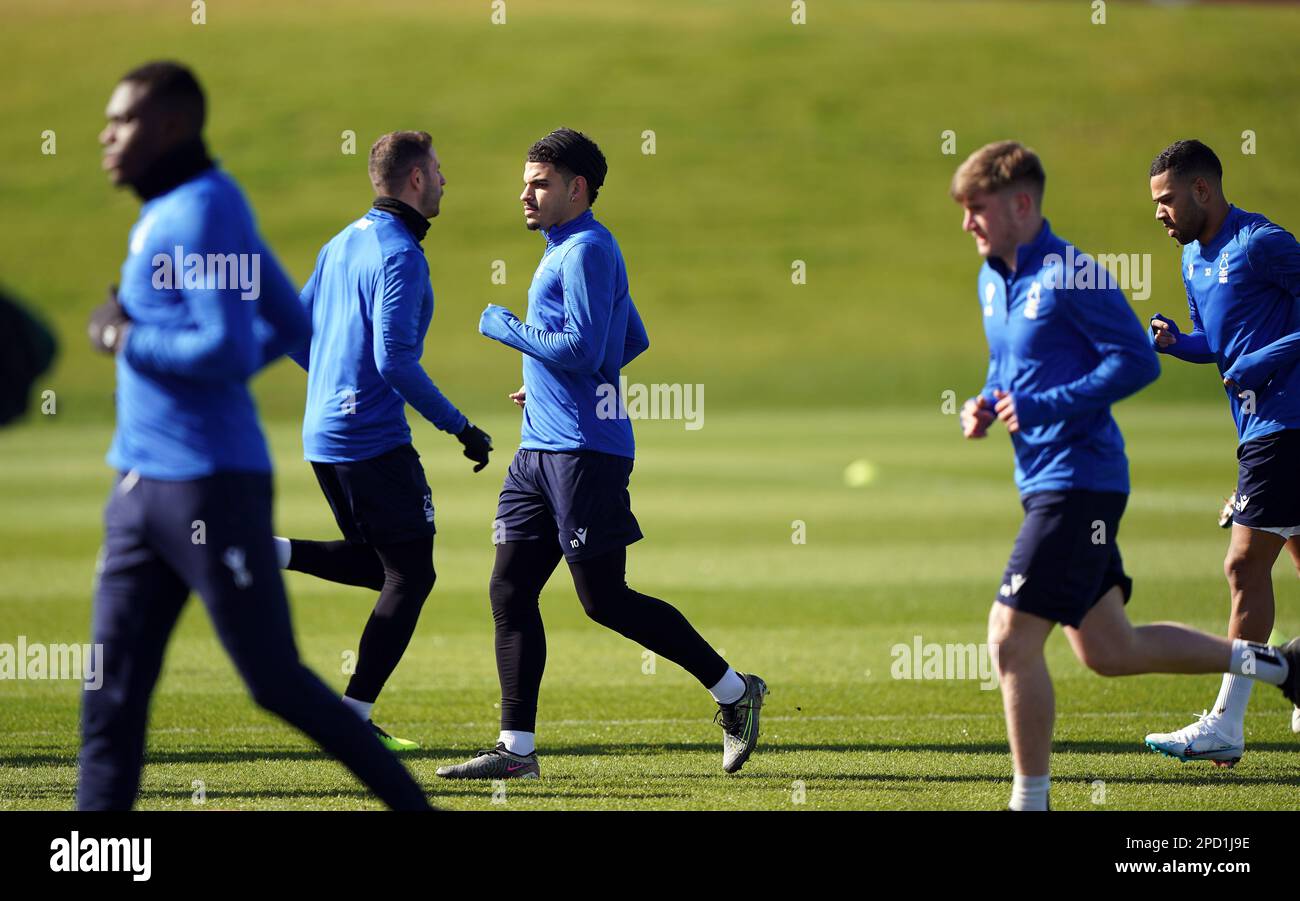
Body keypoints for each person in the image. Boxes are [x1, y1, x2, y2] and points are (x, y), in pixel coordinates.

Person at [78, 61, 431, 810]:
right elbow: (295, 325)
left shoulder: (200, 211)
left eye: (122, 121)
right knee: (109, 699)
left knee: (274, 681)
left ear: (170, 126)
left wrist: (123, 339)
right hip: (136, 486)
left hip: (206, 484)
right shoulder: (176, 206)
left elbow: (231, 347)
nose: (105, 136)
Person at [952, 139, 1299, 809]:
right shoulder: (992, 279)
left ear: (1022, 203)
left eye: (978, 209)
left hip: (1082, 481)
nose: (968, 224)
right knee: (1109, 648)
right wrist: (987, 401)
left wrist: (1042, 405)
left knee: (1010, 637)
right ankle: (1281, 665)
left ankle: (1031, 800)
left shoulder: (1072, 274)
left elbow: (1133, 363)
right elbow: (1009, 369)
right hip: (1045, 481)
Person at [435, 128, 766, 780]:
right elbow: (628, 338)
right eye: (526, 180)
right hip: (539, 451)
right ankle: (517, 750)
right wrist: (545, 384)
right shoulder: (570, 247)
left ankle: (735, 692)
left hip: (586, 452)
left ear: (575, 188)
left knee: (603, 598)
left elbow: (587, 351)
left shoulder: (585, 250)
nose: (524, 192)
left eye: (539, 183)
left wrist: (505, 327)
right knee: (509, 588)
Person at [273, 131, 492, 751]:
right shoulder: (400, 254)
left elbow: (294, 335)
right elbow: (395, 361)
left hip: (324, 436)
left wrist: (336, 387)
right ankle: (352, 719)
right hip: (370, 440)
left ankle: (270, 554)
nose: (446, 181)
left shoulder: (342, 242)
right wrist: (460, 427)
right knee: (411, 575)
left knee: (386, 569)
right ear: (416, 180)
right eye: (439, 171)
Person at [1147, 139, 1300, 757]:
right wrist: (1179, 341)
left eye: (1166, 200)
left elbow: (1254, 351)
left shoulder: (1263, 242)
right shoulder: (1192, 262)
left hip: (1284, 424)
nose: (1160, 213)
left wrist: (1264, 361)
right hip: (1262, 426)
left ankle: (1225, 724)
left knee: (1242, 565)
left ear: (1202, 191)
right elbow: (1219, 340)